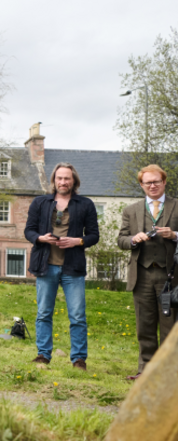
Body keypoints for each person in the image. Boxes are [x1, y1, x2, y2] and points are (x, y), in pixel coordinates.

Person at [24, 162, 99, 370]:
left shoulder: (85, 204)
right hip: (45, 266)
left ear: (73, 180)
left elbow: (94, 235)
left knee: (77, 316)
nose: (63, 182)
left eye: (67, 178)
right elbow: (28, 231)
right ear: (54, 180)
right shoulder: (40, 203)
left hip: (73, 267)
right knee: (43, 313)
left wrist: (78, 241)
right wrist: (41, 238)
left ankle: (78, 359)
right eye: (59, 178)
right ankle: (43, 355)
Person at [117, 164, 178, 380]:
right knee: (145, 325)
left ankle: (169, 373)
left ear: (164, 182)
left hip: (170, 276)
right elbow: (121, 240)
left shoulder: (177, 206)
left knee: (170, 326)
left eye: (156, 181)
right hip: (141, 275)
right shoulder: (130, 210)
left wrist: (175, 235)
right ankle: (145, 370)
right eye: (147, 182)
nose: (152, 185)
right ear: (141, 185)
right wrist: (133, 239)